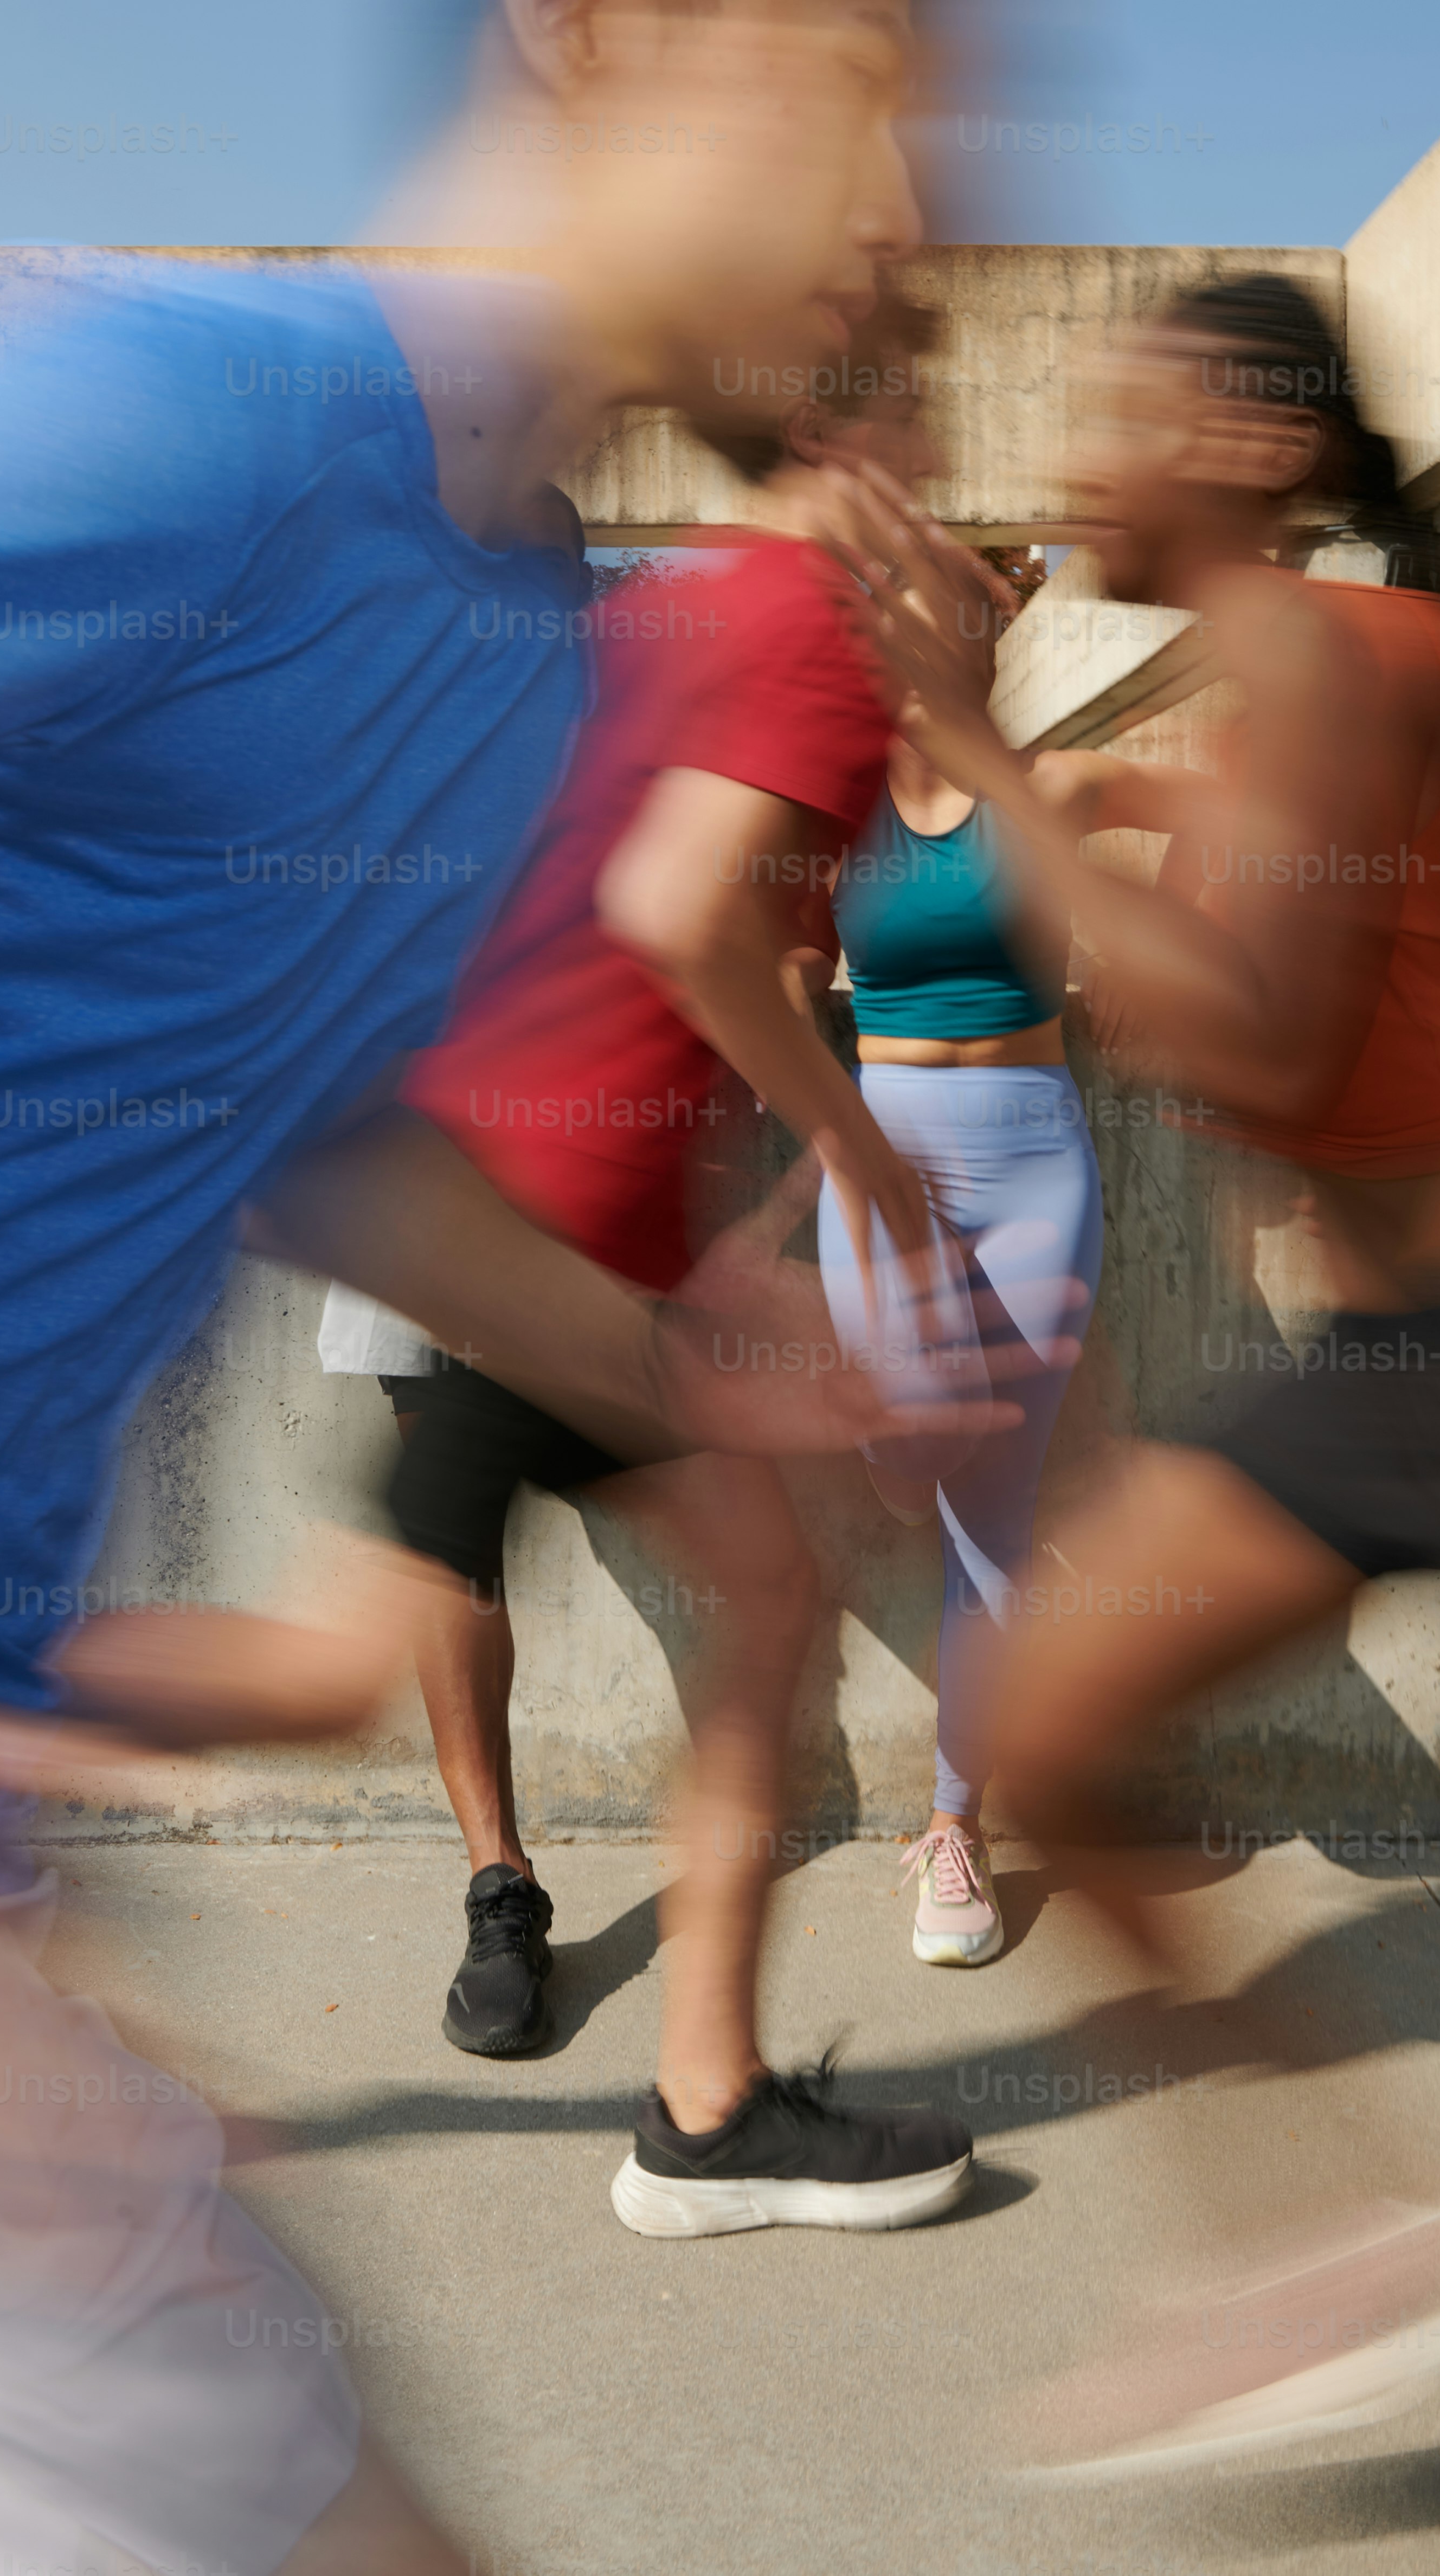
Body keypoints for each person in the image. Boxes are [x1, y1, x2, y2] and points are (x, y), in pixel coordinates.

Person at [0, 0, 1032, 2571]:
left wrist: (687, 1372)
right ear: (582, 10)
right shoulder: (184, 405)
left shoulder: (507, 622)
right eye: (861, 93)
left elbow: (307, 1130)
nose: (915, 223)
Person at [839, 269, 1440, 2464]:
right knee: (1046, 1721)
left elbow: (1255, 1038)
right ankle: (1341, 2245)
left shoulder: (1328, 642)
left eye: (1123, 409)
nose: (1079, 449)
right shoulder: (1331, 679)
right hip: (1384, 1376)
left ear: (1257, 447)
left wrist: (993, 765)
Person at [381, 315, 991, 2234]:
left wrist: (732, 1250)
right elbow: (670, 916)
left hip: (534, 1211)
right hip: (540, 1230)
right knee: (338, 1649)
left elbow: (628, 931)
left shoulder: (691, 606)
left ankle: (709, 2109)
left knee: (771, 1597)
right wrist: (868, 1159)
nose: (945, 421)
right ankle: (707, 2110)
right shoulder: (797, 606)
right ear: (835, 418)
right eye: (921, 387)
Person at [817, 680, 1103, 1970]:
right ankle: (898, 1449)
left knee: (994, 1523)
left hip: (1036, 1161)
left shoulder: (1056, 782)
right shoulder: (821, 802)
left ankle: (951, 1826)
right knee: (908, 1438)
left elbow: (1212, 809)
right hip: (882, 1152)